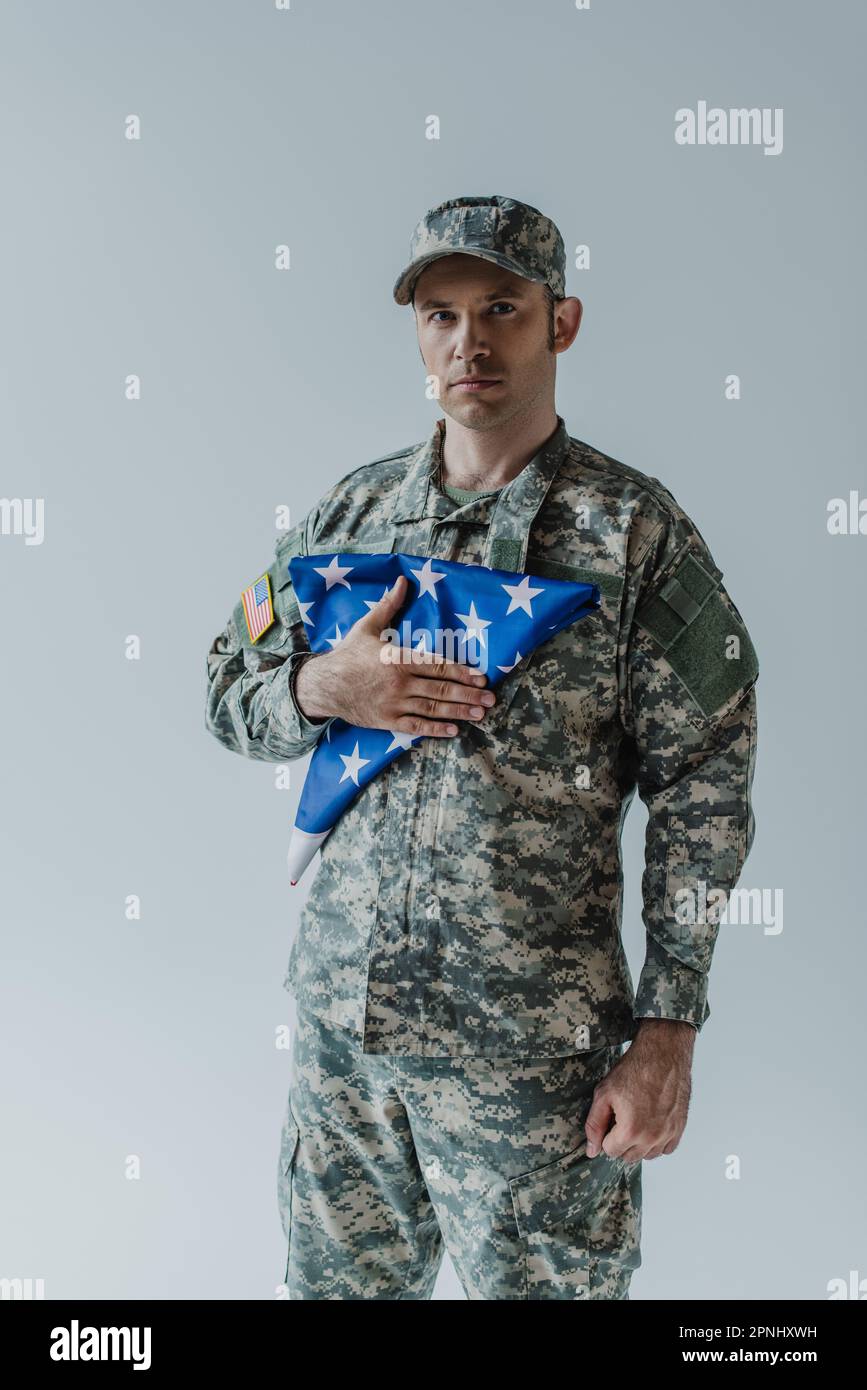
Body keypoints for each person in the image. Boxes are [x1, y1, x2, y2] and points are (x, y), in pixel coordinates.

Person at [205, 195, 759, 1300]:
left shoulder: (632, 533)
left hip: (529, 1063)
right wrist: (327, 685)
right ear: (419, 334)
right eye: (443, 314)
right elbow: (229, 690)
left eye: (503, 308)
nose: (470, 341)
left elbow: (708, 783)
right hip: (345, 1043)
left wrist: (669, 1028)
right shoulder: (350, 519)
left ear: (563, 323)